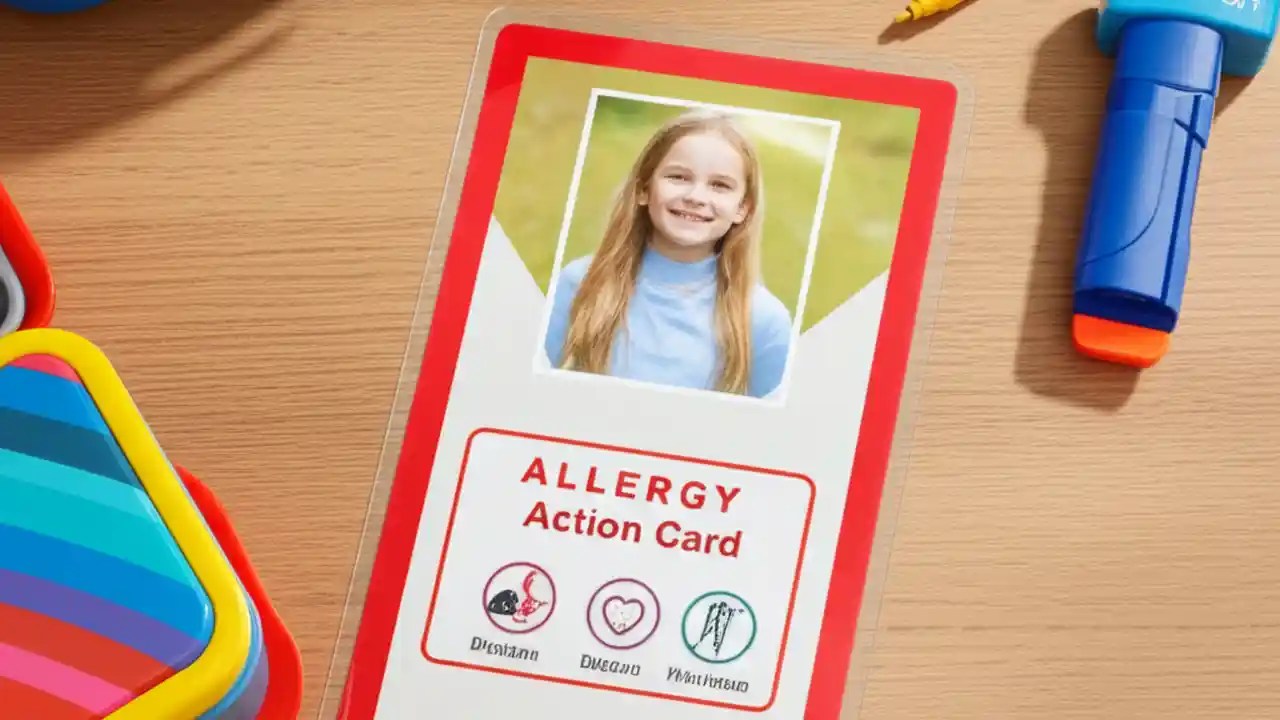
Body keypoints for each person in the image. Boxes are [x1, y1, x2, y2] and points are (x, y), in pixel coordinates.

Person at [543, 109, 792, 398]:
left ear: (742, 209)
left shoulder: (763, 319)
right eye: (678, 177)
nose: (696, 197)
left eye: (719, 185)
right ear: (643, 190)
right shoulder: (581, 282)